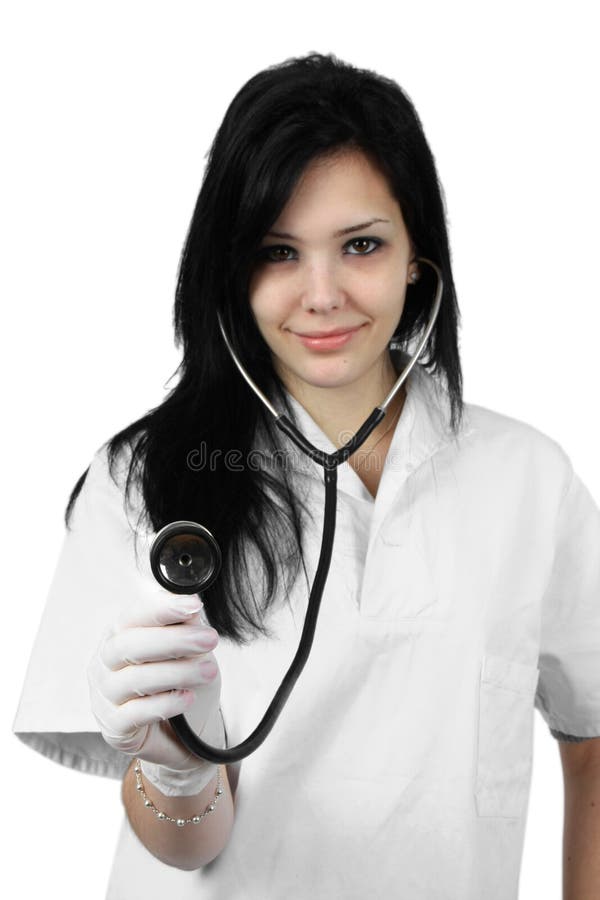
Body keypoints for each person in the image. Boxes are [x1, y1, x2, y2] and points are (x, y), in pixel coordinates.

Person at [12, 51, 600, 899]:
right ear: (230, 272)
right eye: (279, 252)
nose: (322, 295)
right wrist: (178, 768)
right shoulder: (145, 481)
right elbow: (186, 850)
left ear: (417, 260)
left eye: (360, 245)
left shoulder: (527, 481)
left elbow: (590, 730)